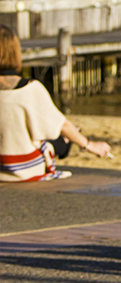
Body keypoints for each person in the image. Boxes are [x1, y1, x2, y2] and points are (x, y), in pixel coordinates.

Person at [0, 26, 112, 182]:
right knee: (61, 135)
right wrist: (90, 145)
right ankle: (68, 143)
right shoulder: (30, 89)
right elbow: (63, 125)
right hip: (22, 169)